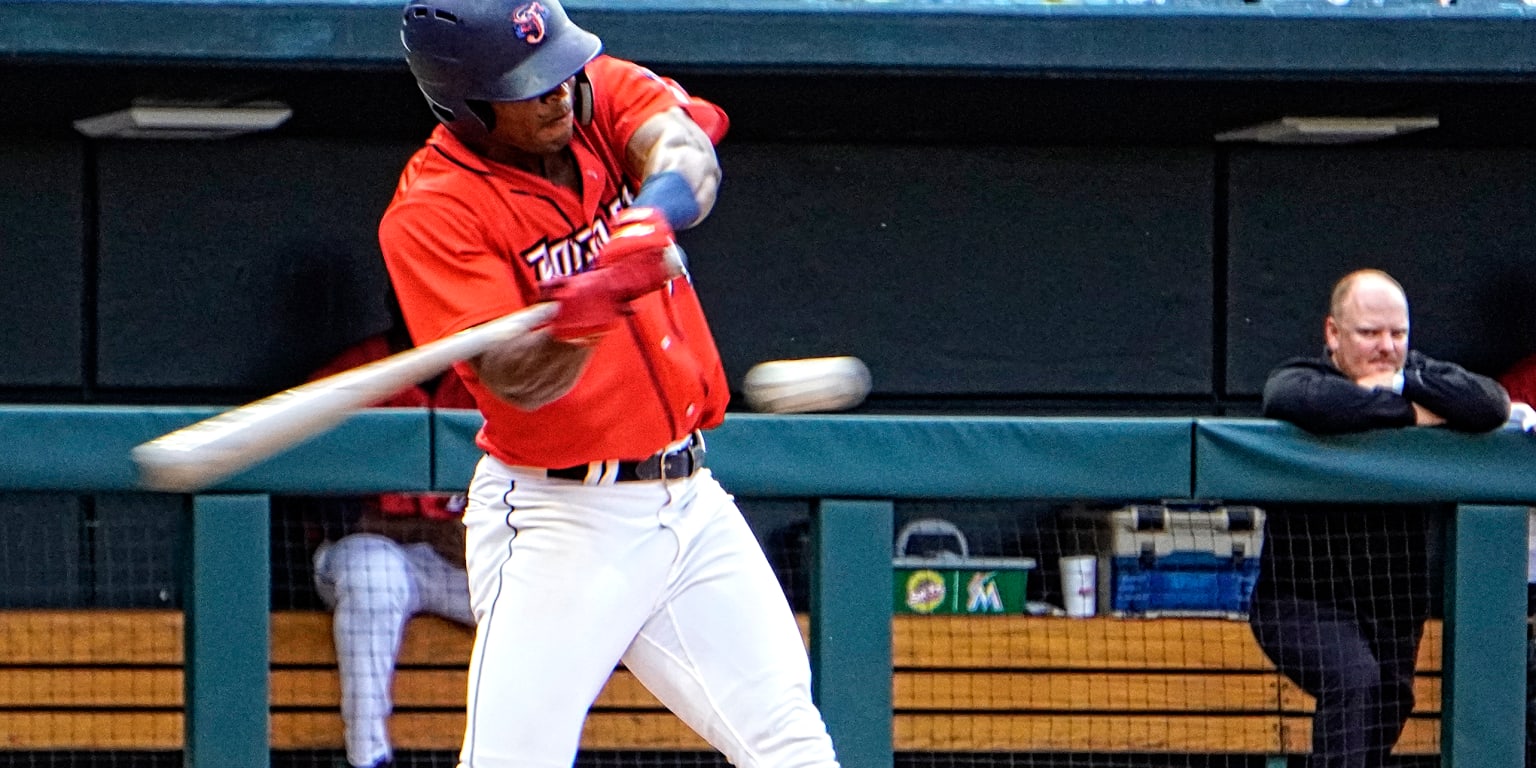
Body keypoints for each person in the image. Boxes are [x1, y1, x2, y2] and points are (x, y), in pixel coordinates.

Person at [376, 0, 841, 766]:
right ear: (464, 104)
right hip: (564, 517)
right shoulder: (433, 211)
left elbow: (687, 150)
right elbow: (516, 382)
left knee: (790, 742)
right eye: (528, 86)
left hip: (689, 499)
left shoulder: (592, 93)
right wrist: (586, 310)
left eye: (558, 69)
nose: (557, 92)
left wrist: (647, 219)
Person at [1250, 269, 1510, 768]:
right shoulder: (1302, 375)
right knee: (1353, 678)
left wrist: (1396, 383)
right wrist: (1409, 413)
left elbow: (1490, 404)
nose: (1386, 345)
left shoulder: (1417, 374)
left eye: (1398, 333)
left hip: (1392, 605)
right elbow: (1298, 400)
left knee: (1388, 705)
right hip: (1300, 600)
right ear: (1333, 333)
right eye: (1369, 333)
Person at [306, 329, 478, 768]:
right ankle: (368, 758)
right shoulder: (351, 374)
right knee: (375, 578)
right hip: (370, 553)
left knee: (534, 589)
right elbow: (329, 512)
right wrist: (426, 532)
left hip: (460, 562)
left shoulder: (491, 374)